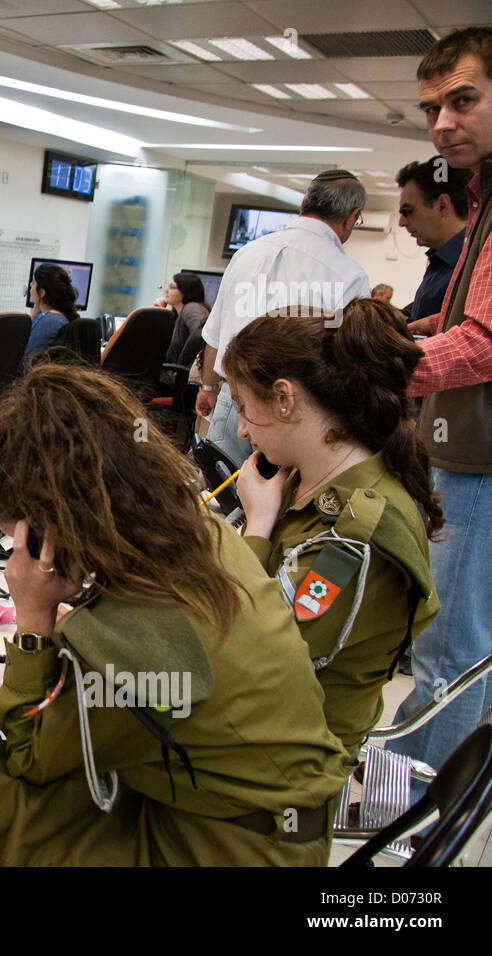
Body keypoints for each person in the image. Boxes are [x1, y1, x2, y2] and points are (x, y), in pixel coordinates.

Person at [0, 363, 350, 866]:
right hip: (279, 822)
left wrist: (34, 615)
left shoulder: (128, 635)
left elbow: (32, 753)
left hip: (225, 851)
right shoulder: (203, 534)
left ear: (47, 530)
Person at [226, 302, 442, 759]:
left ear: (285, 398)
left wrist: (258, 527)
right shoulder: (305, 478)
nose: (242, 429)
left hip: (283, 758)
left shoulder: (355, 537)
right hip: (260, 723)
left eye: (244, 407)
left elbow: (244, 651)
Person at [388, 26, 492, 806]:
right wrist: (418, 332)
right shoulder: (483, 201)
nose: (442, 124)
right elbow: (471, 316)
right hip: (464, 452)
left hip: (479, 463)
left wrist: (372, 369)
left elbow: (487, 341)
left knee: (447, 650)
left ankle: (415, 815)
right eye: (431, 108)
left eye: (463, 100)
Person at [196, 170, 372, 467]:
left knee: (225, 503)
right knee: (287, 509)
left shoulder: (246, 254)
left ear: (306, 204)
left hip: (234, 399)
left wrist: (209, 389)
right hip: (297, 414)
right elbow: (352, 360)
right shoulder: (348, 274)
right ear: (351, 216)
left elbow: (216, 333)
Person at [395, 156, 472, 328]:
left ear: (442, 206)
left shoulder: (473, 264)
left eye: (408, 211)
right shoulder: (441, 261)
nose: (401, 222)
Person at [17, 263, 79, 375]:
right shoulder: (61, 317)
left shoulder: (49, 321)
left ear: (42, 293)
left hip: (26, 384)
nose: (30, 286)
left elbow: (23, 364)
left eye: (34, 283)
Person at [156, 272, 211, 385]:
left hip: (179, 380)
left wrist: (182, 364)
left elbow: (201, 333)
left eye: (172, 287)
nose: (166, 290)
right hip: (174, 377)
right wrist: (161, 311)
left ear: (185, 292)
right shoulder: (179, 314)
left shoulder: (191, 308)